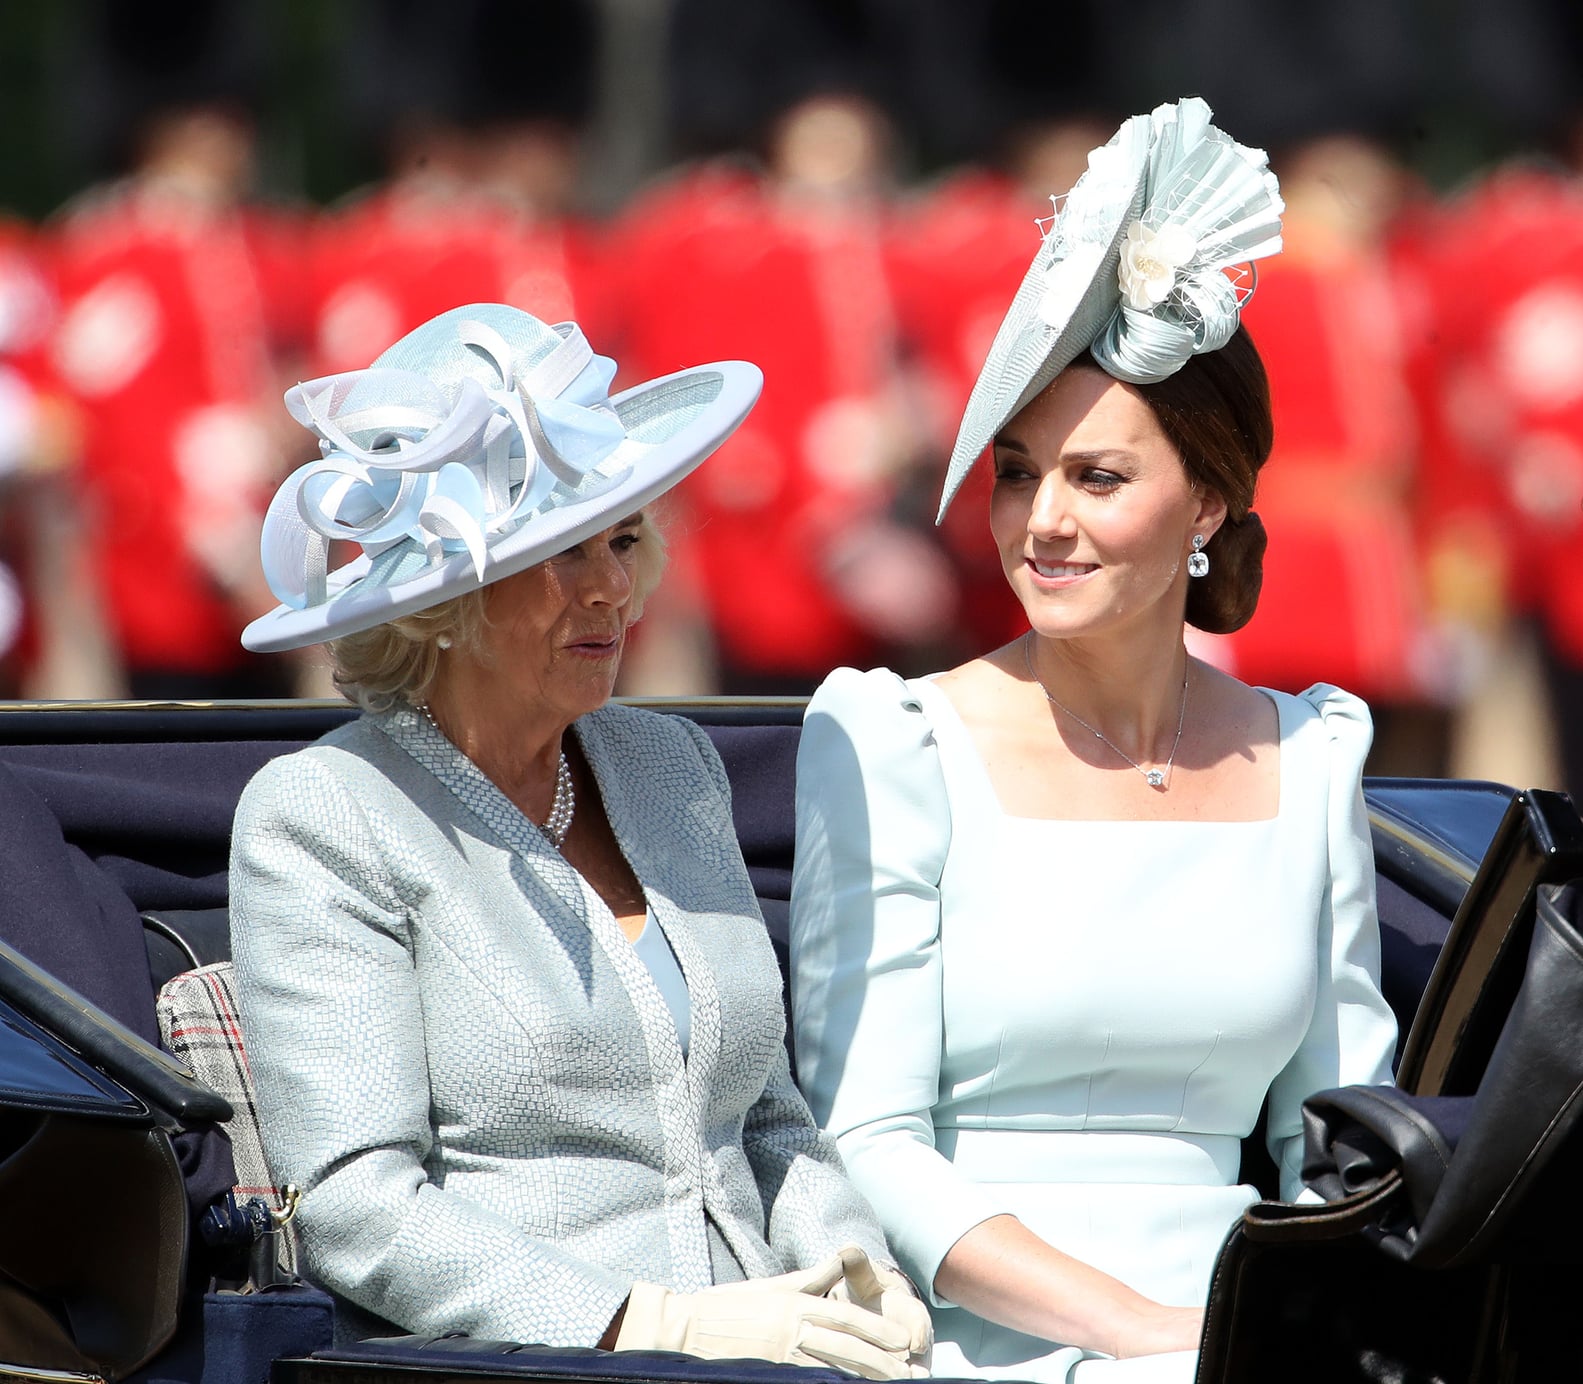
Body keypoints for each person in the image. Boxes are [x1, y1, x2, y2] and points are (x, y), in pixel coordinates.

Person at [790, 99, 1399, 1382]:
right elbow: (867, 1142)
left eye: (1097, 478)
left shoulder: (1309, 754)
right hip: (965, 1346)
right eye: (1018, 472)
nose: (1040, 522)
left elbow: (1342, 1142)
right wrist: (1141, 1333)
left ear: (1208, 504)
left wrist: (1284, 1335)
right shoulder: (896, 739)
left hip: (1242, 1339)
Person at [227, 303, 930, 1374]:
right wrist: (653, 1324)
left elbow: (769, 1121)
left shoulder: (669, 764)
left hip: (784, 1351)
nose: (609, 585)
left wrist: (854, 1267)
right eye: (557, 552)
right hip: (529, 1361)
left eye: (620, 538)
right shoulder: (325, 814)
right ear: (439, 599)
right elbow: (356, 1205)